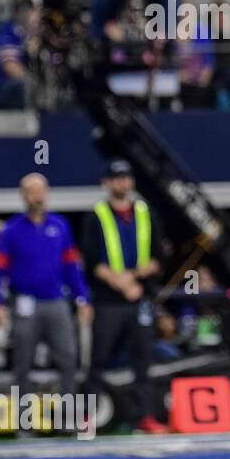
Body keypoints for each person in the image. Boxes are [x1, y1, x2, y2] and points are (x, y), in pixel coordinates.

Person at [79, 159, 168, 433]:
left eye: (126, 177)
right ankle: (86, 417)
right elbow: (92, 260)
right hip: (109, 300)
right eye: (117, 178)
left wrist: (140, 276)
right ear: (106, 182)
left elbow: (158, 254)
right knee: (99, 360)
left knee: (142, 360)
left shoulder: (145, 212)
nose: (123, 183)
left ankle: (143, 416)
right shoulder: (97, 216)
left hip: (139, 297)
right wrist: (121, 282)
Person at [0, 174, 91, 412]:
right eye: (32, 191)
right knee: (22, 363)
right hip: (25, 303)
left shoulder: (60, 226)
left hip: (57, 302)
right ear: (23, 195)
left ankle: (68, 420)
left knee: (68, 359)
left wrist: (83, 298)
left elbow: (71, 266)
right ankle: (25, 423)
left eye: (41, 191)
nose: (37, 196)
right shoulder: (12, 230)